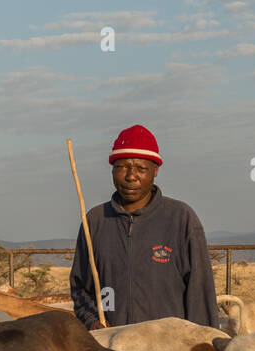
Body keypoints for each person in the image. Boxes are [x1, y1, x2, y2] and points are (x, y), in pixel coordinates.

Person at [69, 125, 219, 329]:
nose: (131, 176)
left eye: (141, 168)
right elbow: (80, 288)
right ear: (113, 169)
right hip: (112, 349)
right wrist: (92, 321)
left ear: (155, 170)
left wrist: (203, 345)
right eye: (122, 167)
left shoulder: (181, 219)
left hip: (168, 348)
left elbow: (200, 293)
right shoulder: (95, 221)